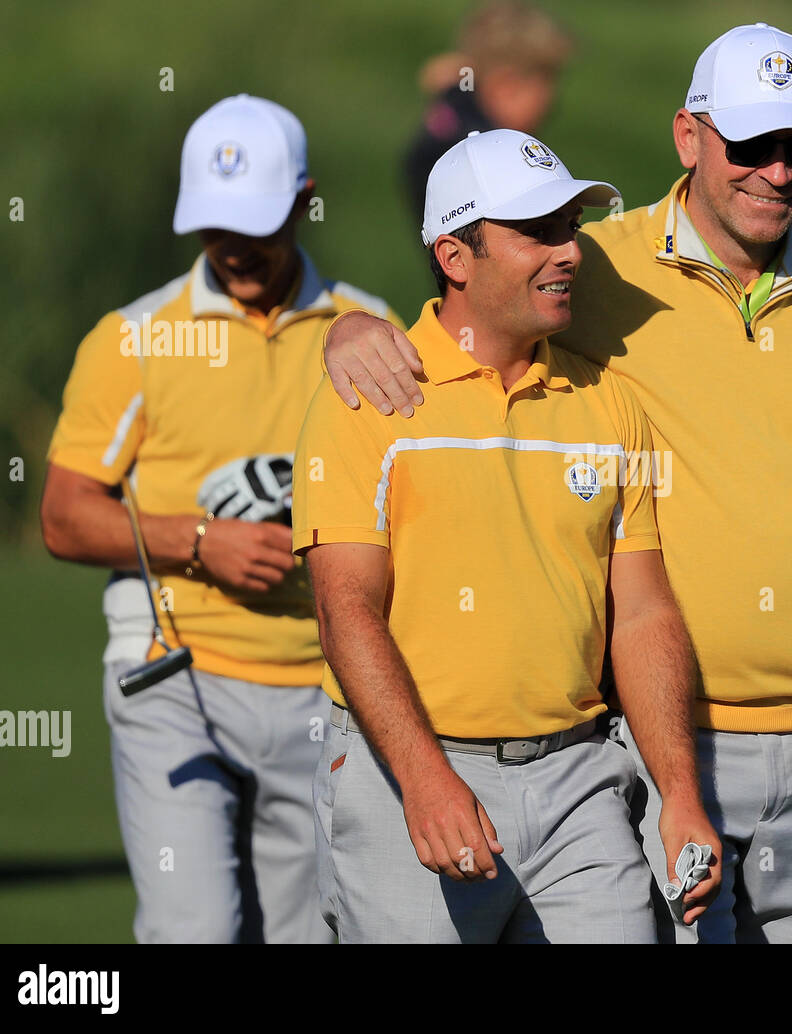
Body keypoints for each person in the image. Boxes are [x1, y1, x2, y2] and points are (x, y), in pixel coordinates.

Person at [321, 23, 792, 944]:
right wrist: (340, 331)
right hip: (647, 745)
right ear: (688, 138)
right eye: (753, 145)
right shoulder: (591, 263)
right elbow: (453, 316)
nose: (780, 171)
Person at [293, 128, 719, 943]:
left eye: (569, 227)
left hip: (582, 786)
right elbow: (346, 609)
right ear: (455, 257)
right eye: (538, 232)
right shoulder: (368, 397)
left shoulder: (607, 403)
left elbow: (642, 615)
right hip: (406, 781)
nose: (569, 253)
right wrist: (425, 781)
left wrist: (679, 794)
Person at [40, 93, 401, 943]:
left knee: (307, 932)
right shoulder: (132, 337)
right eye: (214, 224)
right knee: (194, 928)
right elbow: (64, 517)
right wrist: (200, 544)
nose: (234, 247)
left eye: (257, 222)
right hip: (174, 673)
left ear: (306, 200)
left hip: (326, 687)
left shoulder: (369, 331)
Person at [401, 1, 573, 226]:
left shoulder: (456, 107)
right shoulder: (495, 162)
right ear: (507, 86)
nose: (552, 101)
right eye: (547, 81)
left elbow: (444, 75)